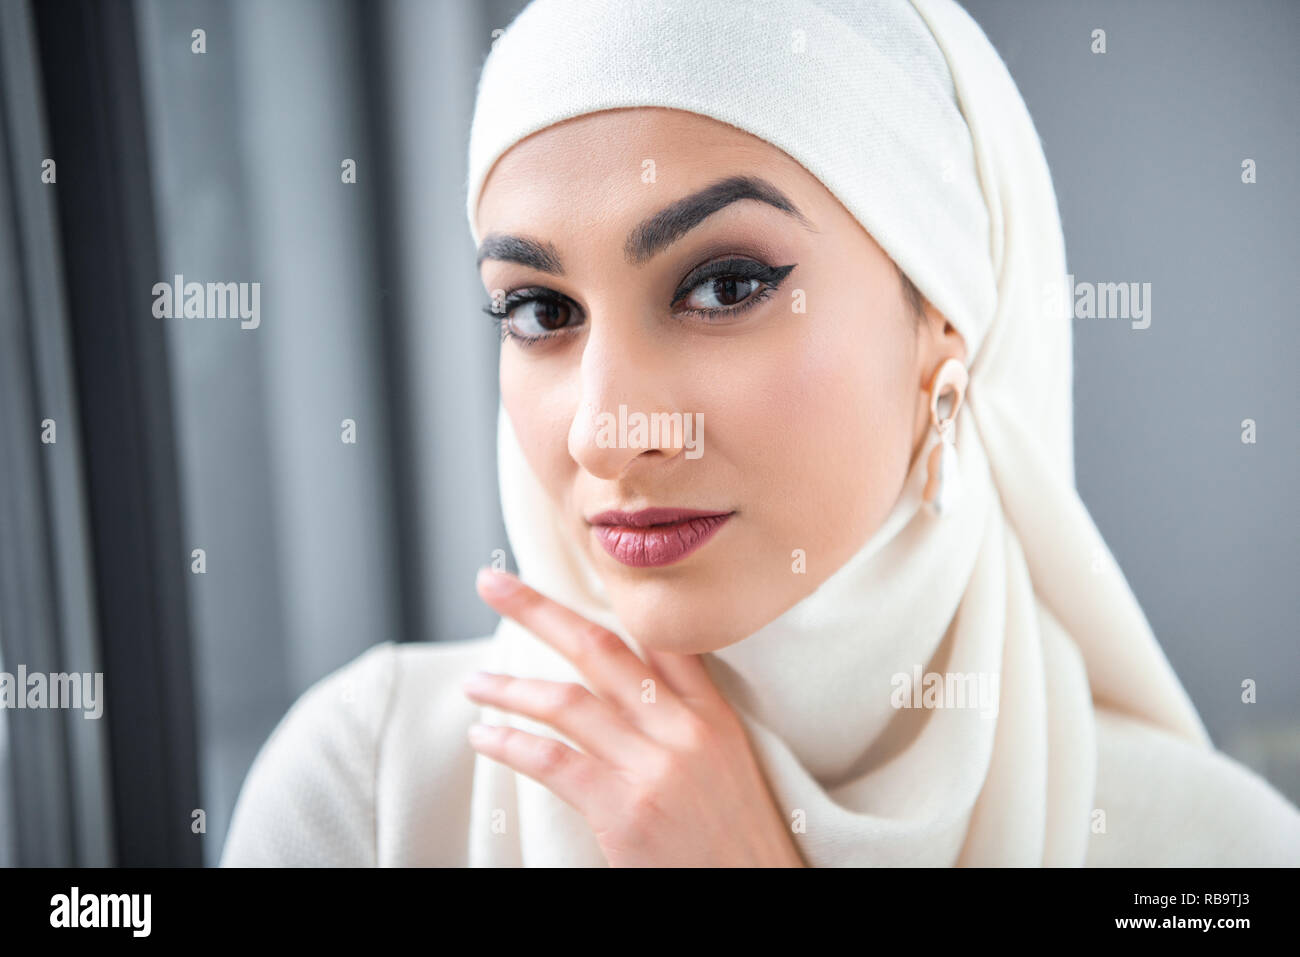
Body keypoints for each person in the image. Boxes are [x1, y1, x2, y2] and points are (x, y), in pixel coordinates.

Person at [219, 0, 1300, 867]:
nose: (607, 432)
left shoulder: (1209, 853)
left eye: (725, 285)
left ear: (942, 329)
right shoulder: (371, 791)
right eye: (540, 310)